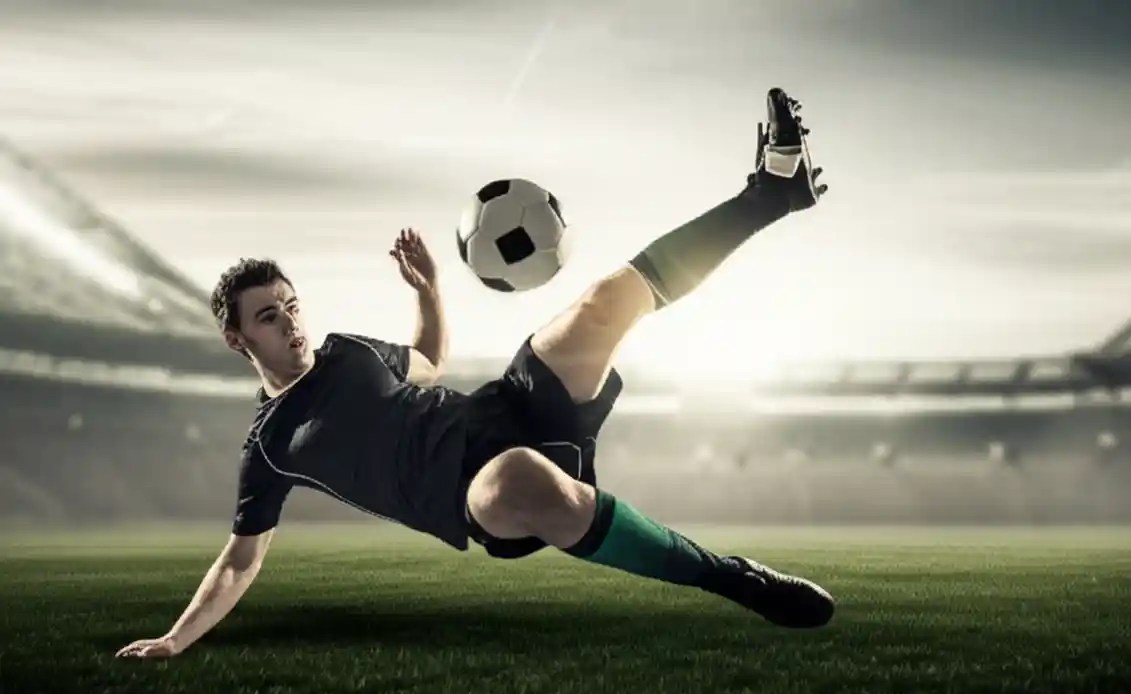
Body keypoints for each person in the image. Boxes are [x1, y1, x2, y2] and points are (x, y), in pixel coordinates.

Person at [116, 87, 833, 660]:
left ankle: (774, 192)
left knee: (603, 303)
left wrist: (429, 290)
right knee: (521, 478)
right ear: (237, 338)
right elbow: (240, 561)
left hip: (505, 406)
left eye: (292, 305)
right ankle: (733, 578)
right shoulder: (270, 446)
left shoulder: (347, 351)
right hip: (473, 493)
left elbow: (427, 364)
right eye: (270, 317)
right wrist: (176, 638)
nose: (291, 321)